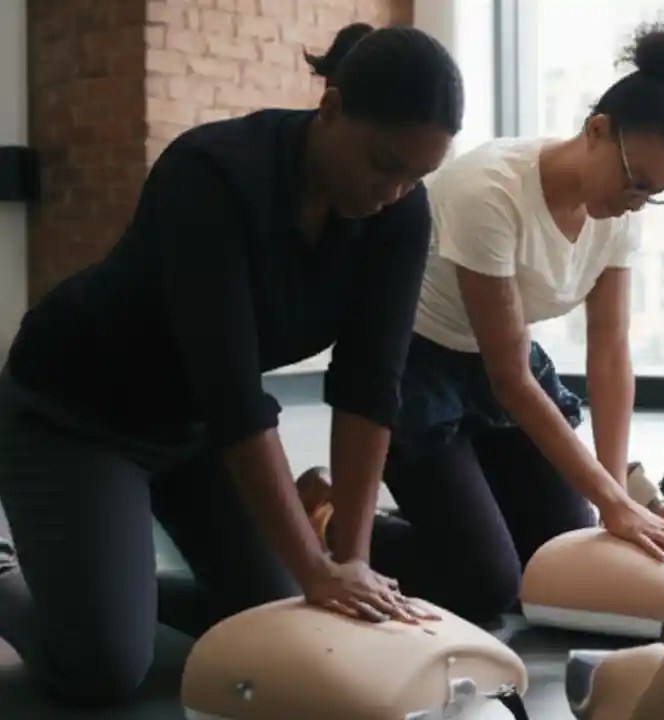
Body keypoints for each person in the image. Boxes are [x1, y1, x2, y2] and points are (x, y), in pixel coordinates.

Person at [0, 23, 462, 706]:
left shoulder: (399, 215)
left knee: (290, 615)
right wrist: (315, 564)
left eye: (416, 176)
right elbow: (233, 395)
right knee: (100, 664)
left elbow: (370, 388)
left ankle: (106, 586)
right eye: (382, 164)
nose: (393, 192)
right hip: (75, 415)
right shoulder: (212, 173)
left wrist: (349, 562)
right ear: (330, 109)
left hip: (193, 435)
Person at [353, 23, 664, 626]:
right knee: (487, 583)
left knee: (555, 556)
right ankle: (333, 513)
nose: (638, 200)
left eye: (656, 192)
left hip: (501, 365)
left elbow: (610, 352)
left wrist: (616, 501)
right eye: (634, 181)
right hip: (415, 366)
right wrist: (609, 497)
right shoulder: (490, 190)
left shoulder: (618, 212)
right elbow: (510, 378)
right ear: (596, 131)